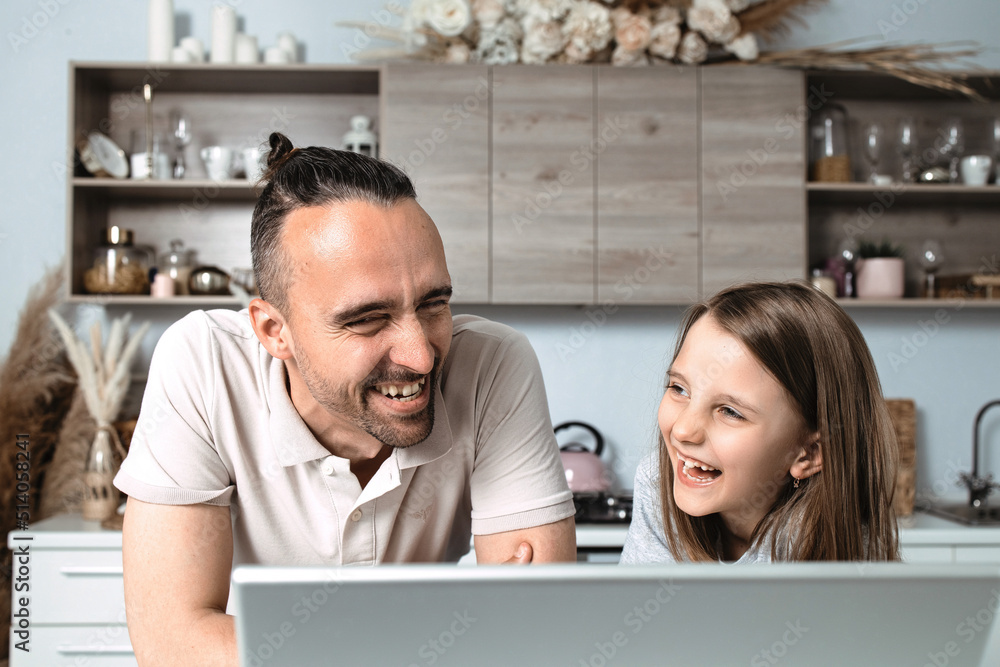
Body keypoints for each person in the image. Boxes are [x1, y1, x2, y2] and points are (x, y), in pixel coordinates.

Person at [114, 132, 576, 665]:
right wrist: (443, 638)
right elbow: (171, 644)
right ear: (273, 330)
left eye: (433, 305)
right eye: (367, 319)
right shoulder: (203, 361)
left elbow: (536, 633)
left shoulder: (495, 364)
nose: (422, 356)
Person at [620, 281, 899, 564]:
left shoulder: (837, 549)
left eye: (730, 411)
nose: (682, 430)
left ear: (810, 453)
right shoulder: (658, 483)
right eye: (679, 389)